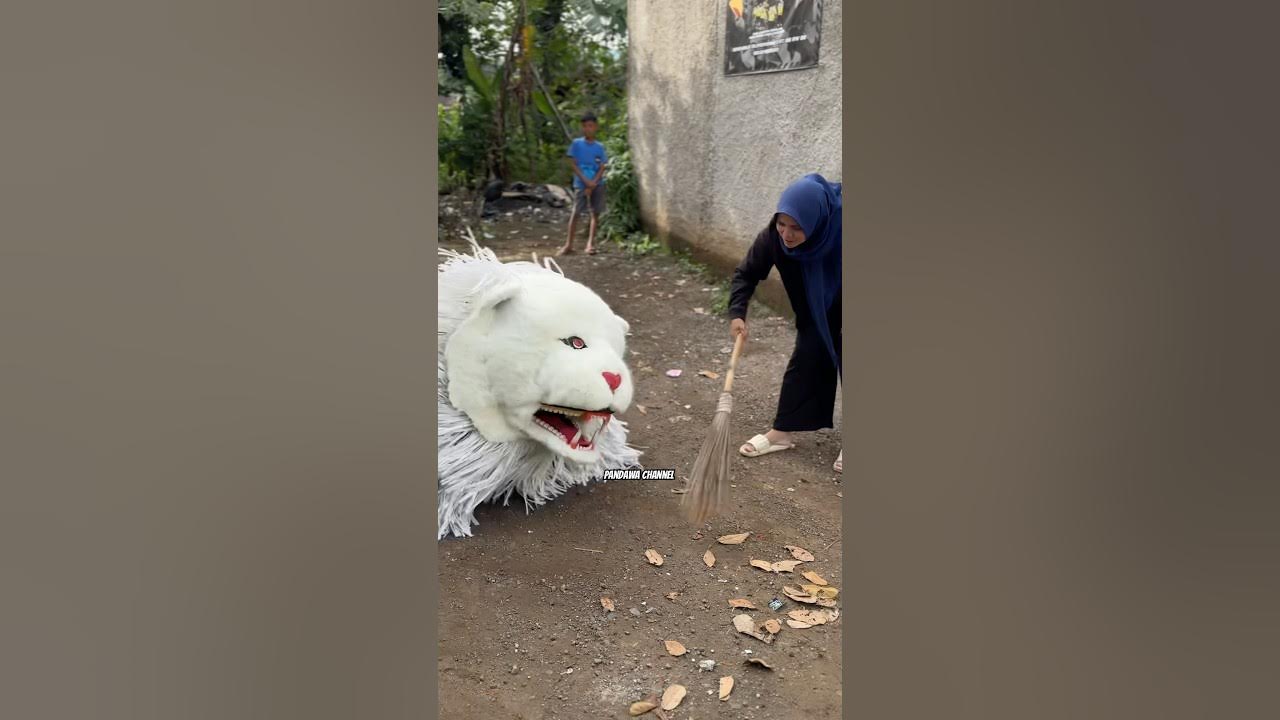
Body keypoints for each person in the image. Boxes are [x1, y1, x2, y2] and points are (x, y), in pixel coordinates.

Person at [727, 173, 843, 473]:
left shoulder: (843, 229)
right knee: (806, 357)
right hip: (814, 310)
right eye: (782, 223)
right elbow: (746, 273)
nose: (787, 235)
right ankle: (782, 432)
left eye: (796, 227)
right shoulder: (773, 238)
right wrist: (738, 312)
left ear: (815, 221)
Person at [559, 112, 608, 256]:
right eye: (585, 126)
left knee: (595, 214)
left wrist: (594, 181)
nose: (588, 129)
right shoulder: (576, 144)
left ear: (596, 127)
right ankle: (569, 244)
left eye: (591, 126)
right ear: (582, 127)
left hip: (597, 184)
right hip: (580, 183)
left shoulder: (599, 147)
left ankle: (590, 244)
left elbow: (603, 166)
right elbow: (573, 164)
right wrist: (586, 181)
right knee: (576, 213)